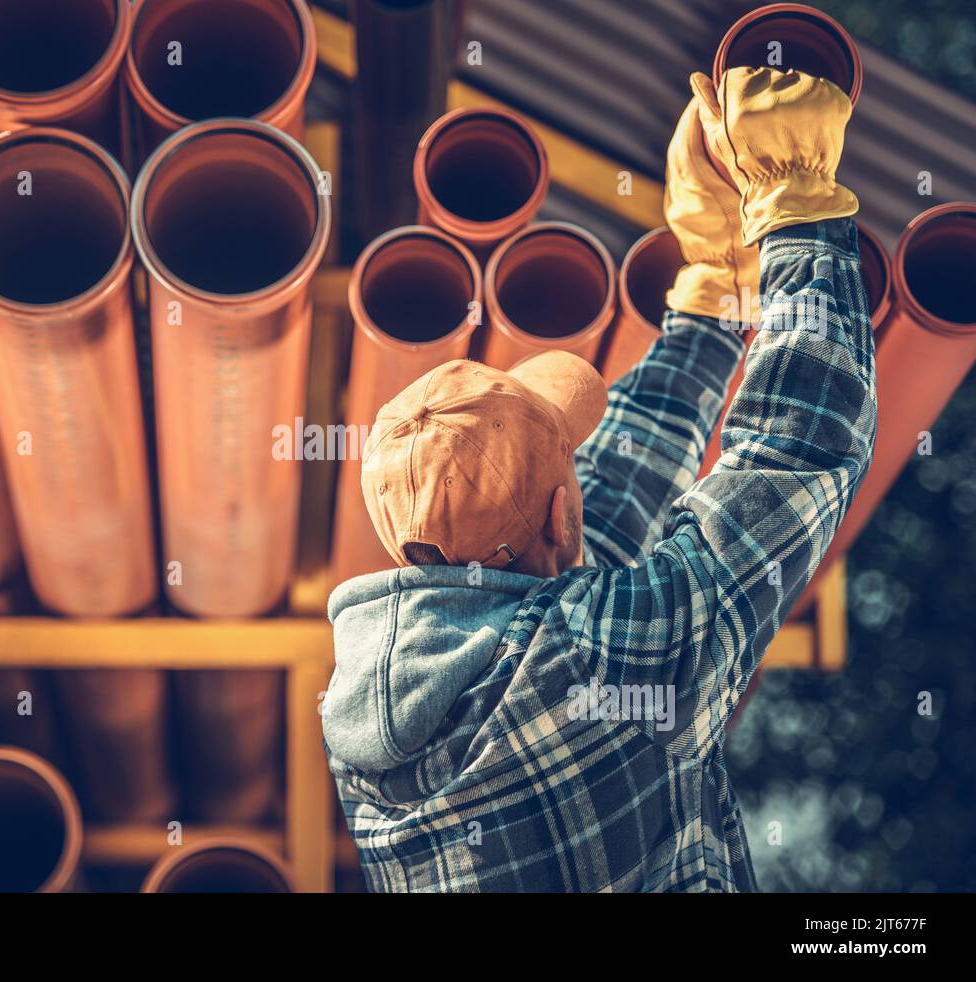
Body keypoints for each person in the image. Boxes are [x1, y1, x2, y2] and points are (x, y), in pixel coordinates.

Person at [323, 67, 876, 891]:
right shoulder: (603, 664)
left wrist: (715, 289)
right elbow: (797, 446)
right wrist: (795, 200)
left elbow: (604, 521)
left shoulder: (369, 721)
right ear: (559, 518)